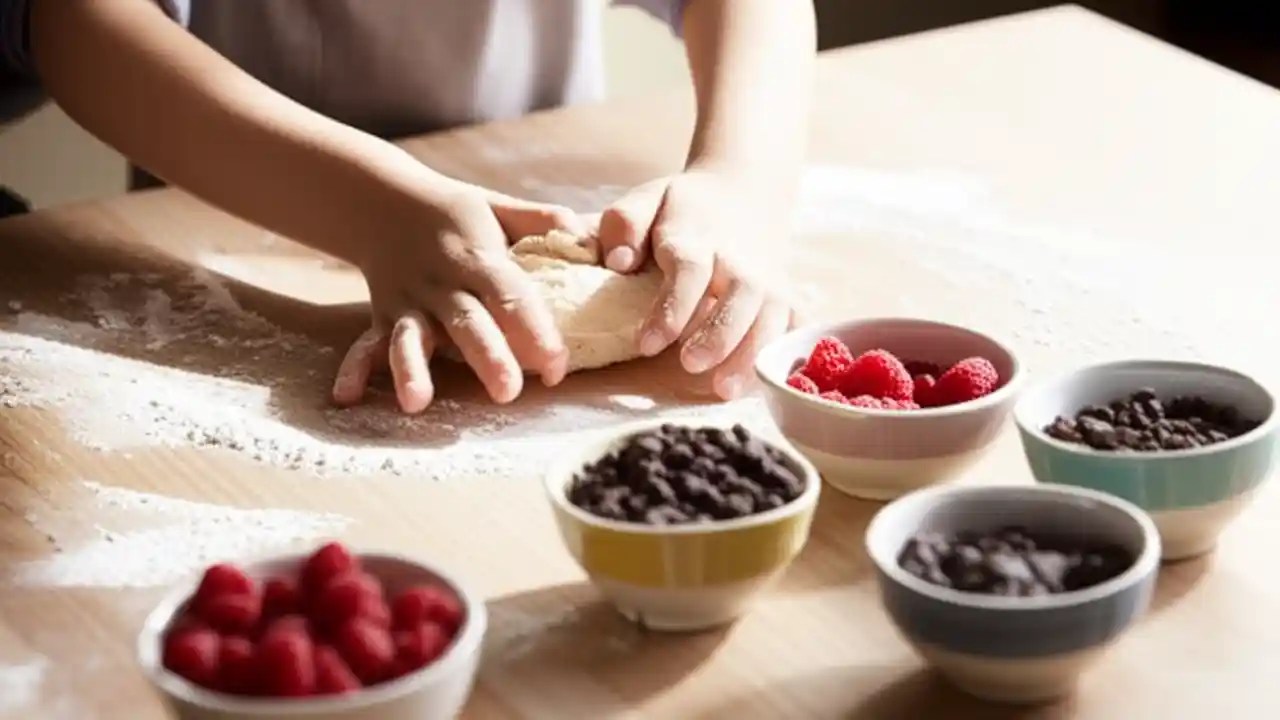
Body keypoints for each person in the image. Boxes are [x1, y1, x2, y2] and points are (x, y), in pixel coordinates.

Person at [0, 0, 815, 413]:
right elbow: (73, 20)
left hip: (534, 203)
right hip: (224, 219)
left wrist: (740, 176)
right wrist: (364, 208)